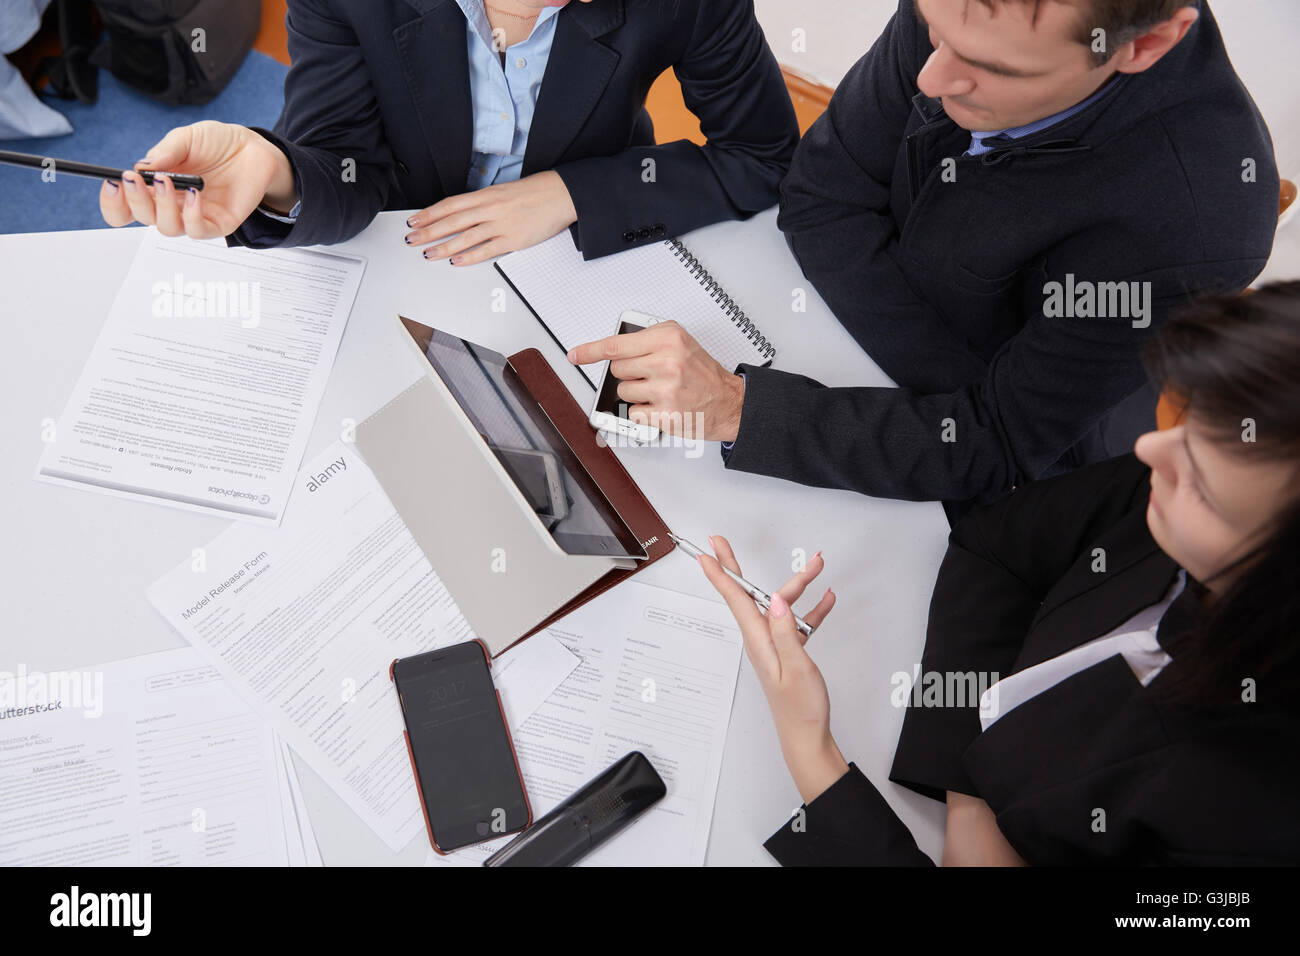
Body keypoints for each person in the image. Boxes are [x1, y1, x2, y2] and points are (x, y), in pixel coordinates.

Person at [569, 0, 1279, 512]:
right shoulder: (974, 20)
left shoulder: (1196, 223)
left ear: (1145, 46)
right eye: (931, 28)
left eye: (990, 68)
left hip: (993, 473)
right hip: (893, 381)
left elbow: (996, 443)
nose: (932, 80)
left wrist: (739, 411)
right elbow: (818, 192)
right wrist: (946, 407)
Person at [695, 281, 1300, 865]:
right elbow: (997, 544)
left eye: (1205, 483)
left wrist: (809, 747)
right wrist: (971, 799)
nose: (1150, 452)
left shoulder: (1254, 823)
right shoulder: (1199, 486)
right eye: (1187, 423)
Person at [97, 0, 799, 264]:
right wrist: (272, 167)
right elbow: (346, 167)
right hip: (406, 246)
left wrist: (574, 193)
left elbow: (764, 156)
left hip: (584, 242)